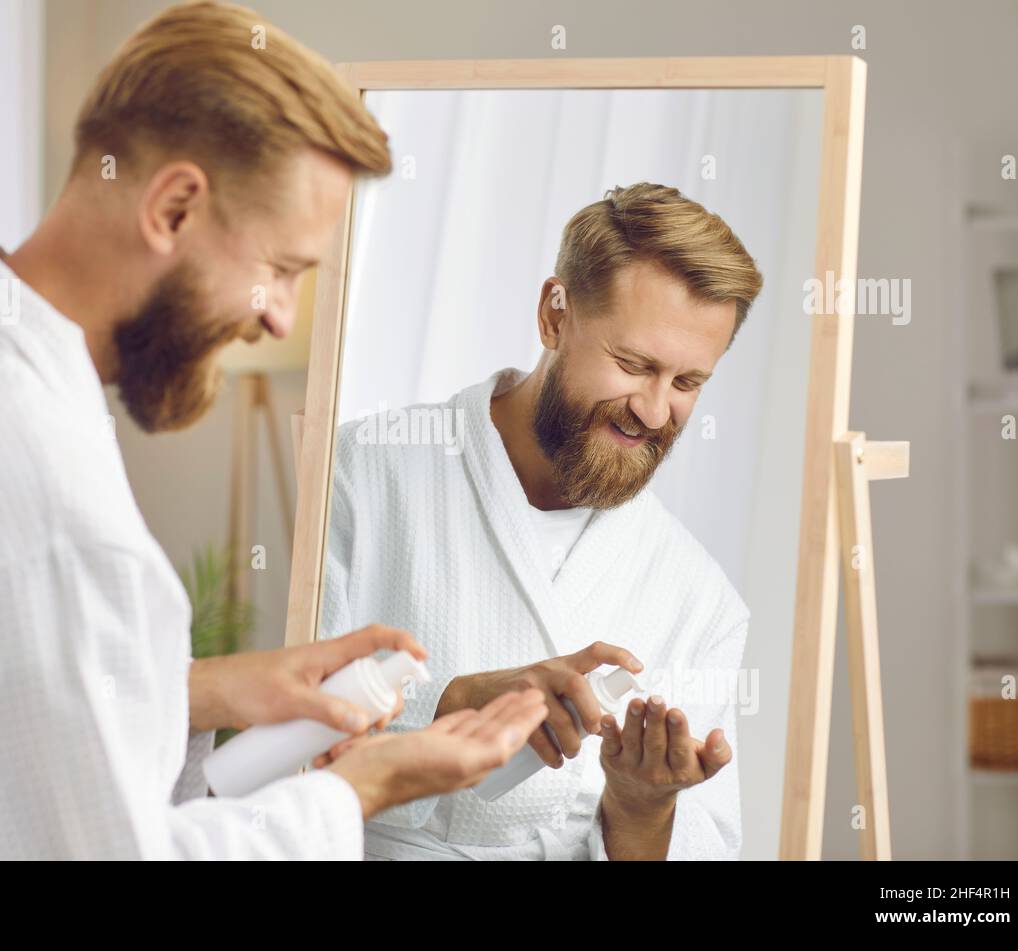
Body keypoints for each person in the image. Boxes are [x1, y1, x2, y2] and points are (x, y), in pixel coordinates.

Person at [0, 0, 547, 860]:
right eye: (280, 271)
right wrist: (359, 788)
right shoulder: (41, 498)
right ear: (173, 207)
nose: (282, 320)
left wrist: (206, 691)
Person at [320, 183, 763, 859]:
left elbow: (704, 844)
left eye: (686, 383)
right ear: (554, 315)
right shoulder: (361, 473)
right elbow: (264, 732)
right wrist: (457, 700)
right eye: (634, 364)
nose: (651, 409)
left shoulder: (699, 596)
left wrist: (641, 808)